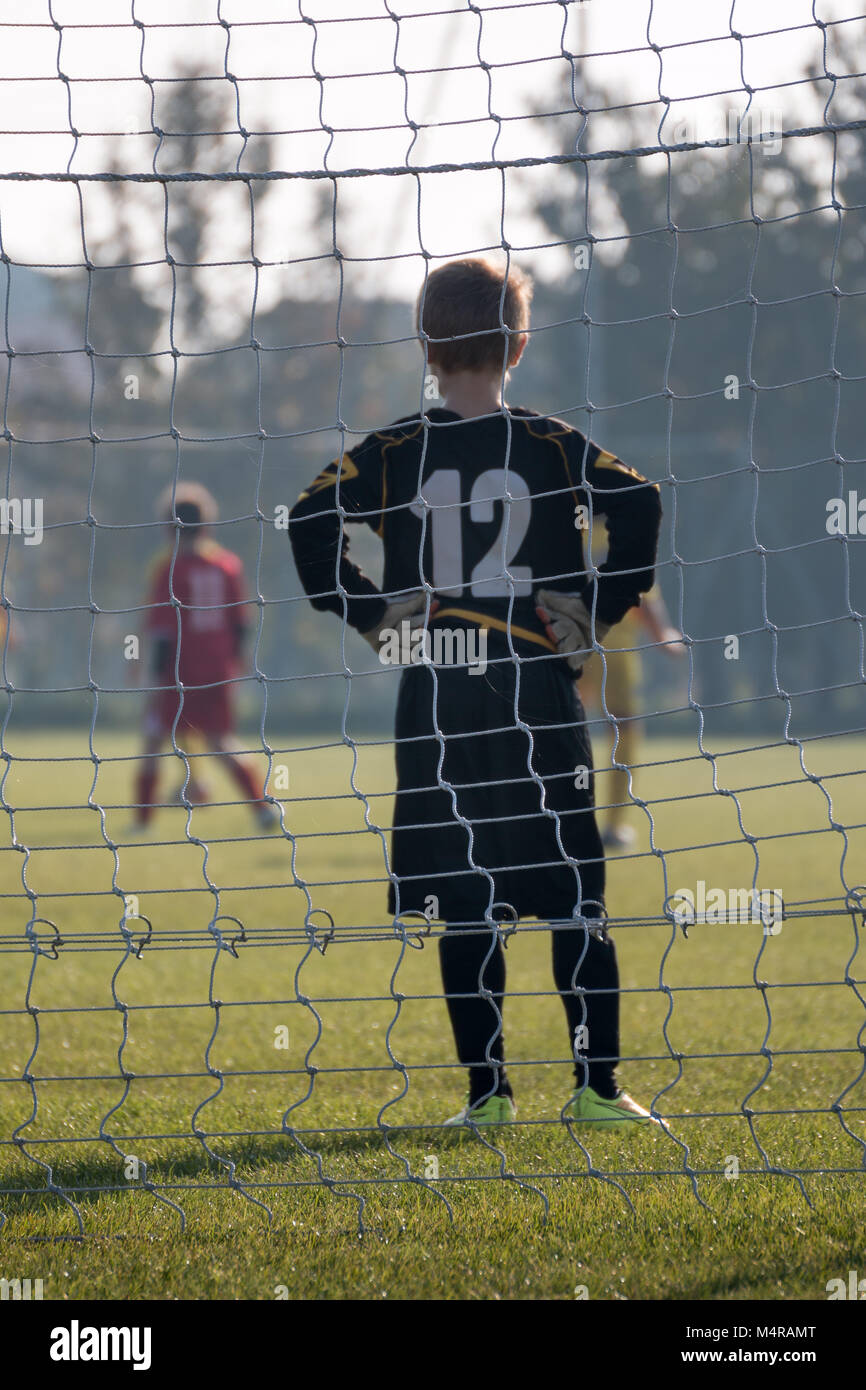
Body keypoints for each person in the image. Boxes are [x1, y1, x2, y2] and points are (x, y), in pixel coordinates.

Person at [290, 257, 662, 1128]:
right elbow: (640, 503)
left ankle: (488, 1097)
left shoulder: (390, 452)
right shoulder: (552, 444)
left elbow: (308, 521)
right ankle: (597, 1091)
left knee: (467, 903)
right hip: (537, 691)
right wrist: (593, 610)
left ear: (425, 344)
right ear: (520, 346)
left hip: (440, 698)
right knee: (575, 895)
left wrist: (373, 615)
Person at [132, 483, 277, 831]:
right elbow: (242, 622)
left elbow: (163, 632)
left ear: (169, 527)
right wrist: (235, 663)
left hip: (179, 672)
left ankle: (142, 821)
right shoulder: (227, 565)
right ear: (208, 524)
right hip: (218, 670)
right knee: (220, 740)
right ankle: (263, 809)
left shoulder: (170, 569)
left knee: (153, 738)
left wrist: (153, 676)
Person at [579, 571, 686, 850]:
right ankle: (613, 826)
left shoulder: (570, 535)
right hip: (614, 649)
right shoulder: (627, 532)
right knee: (624, 729)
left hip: (569, 644)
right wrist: (663, 633)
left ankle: (559, 818)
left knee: (561, 728)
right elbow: (643, 595)